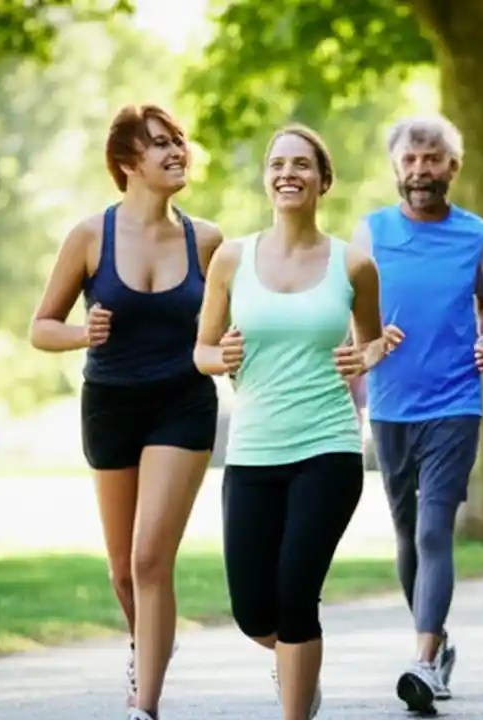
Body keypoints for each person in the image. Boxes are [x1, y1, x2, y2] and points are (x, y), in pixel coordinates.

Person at [193, 124, 402, 720]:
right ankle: (296, 669)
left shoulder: (353, 264)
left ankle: (293, 704)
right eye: (277, 164)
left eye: (301, 164)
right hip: (253, 451)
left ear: (323, 180)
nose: (288, 173)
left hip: (328, 447)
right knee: (252, 611)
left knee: (295, 595)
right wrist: (222, 357)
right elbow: (201, 351)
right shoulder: (231, 259)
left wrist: (367, 354)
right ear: (267, 178)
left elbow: (369, 345)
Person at [29, 104, 221, 720]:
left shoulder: (207, 241)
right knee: (121, 571)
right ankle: (149, 641)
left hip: (182, 403)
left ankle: (145, 705)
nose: (176, 152)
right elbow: (41, 327)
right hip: (110, 405)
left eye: (178, 141)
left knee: (149, 559)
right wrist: (81, 334)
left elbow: (230, 329)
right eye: (160, 143)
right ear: (126, 162)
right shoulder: (91, 237)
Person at [348, 114, 483, 713]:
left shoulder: (478, 236)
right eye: (410, 160)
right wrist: (356, 374)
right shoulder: (369, 233)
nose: (420, 171)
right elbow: (352, 317)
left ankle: (424, 660)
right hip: (391, 405)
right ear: (396, 167)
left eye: (432, 159)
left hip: (455, 402)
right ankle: (437, 641)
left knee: (435, 529)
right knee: (408, 535)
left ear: (452, 167)